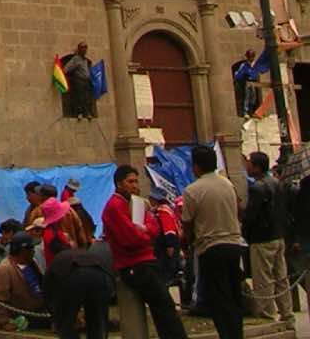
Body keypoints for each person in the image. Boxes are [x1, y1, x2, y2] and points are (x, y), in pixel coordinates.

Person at [102, 163, 187, 339]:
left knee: (165, 307)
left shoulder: (136, 203)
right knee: (163, 307)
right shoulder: (115, 206)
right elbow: (131, 238)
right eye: (130, 181)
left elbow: (153, 228)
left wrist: (143, 231)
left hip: (147, 260)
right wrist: (143, 232)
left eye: (136, 181)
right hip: (134, 264)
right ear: (119, 184)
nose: (135, 185)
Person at [181, 143, 245, 339]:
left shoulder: (193, 190)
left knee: (218, 298)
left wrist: (187, 243)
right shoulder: (228, 184)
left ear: (196, 166)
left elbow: (187, 224)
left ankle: (228, 334)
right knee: (234, 296)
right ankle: (236, 334)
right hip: (234, 245)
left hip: (211, 248)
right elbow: (239, 209)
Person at [242, 151, 291, 323]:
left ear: (256, 167)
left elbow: (251, 216)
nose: (246, 166)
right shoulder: (276, 183)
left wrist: (245, 234)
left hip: (262, 237)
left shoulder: (258, 187)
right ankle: (287, 313)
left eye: (249, 163)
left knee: (263, 279)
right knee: (280, 277)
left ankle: (267, 315)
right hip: (277, 235)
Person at [43, 239, 115, 339]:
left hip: (76, 277)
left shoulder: (57, 261)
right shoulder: (84, 253)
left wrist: (57, 316)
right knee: (97, 324)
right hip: (102, 276)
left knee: (65, 324)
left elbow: (47, 294)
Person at [0, 232, 48, 330]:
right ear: (22, 250)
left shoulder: (32, 263)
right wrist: (5, 322)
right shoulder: (4, 270)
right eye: (31, 248)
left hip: (39, 312)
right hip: (22, 318)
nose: (33, 251)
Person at [62, 43, 97, 118]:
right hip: (79, 80)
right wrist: (75, 68)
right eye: (82, 47)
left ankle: (87, 113)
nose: (84, 49)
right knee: (80, 97)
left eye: (85, 47)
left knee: (87, 97)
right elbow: (66, 69)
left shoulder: (85, 60)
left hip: (86, 81)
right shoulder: (76, 59)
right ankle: (79, 112)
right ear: (79, 49)